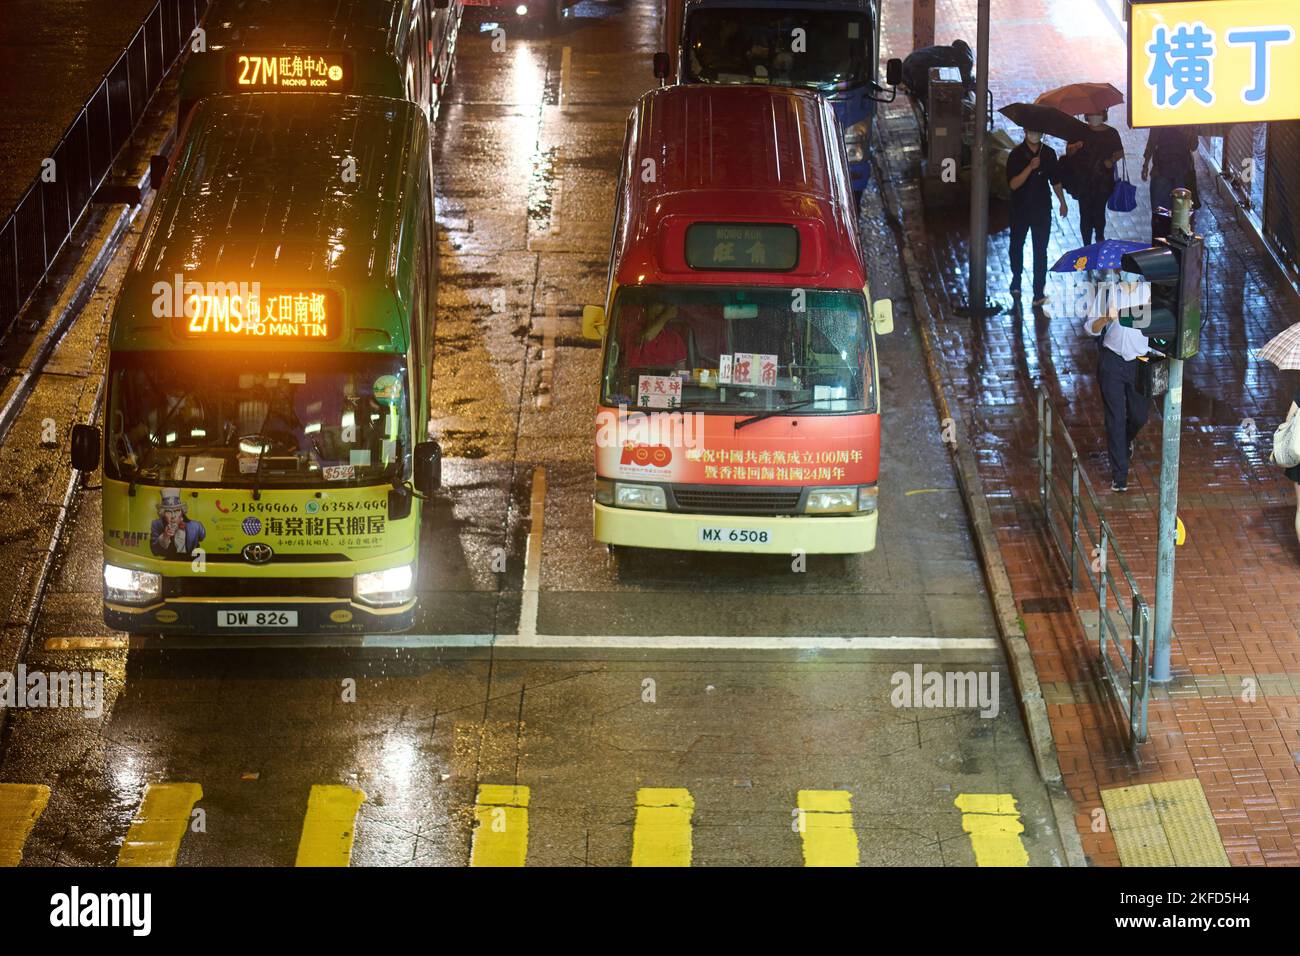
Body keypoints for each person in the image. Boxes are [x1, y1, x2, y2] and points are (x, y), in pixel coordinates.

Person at [1082, 279, 1151, 492]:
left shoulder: (1149, 292)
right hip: (1111, 360)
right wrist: (1106, 317)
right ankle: (1119, 474)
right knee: (1115, 418)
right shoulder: (1107, 291)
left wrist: (1147, 312)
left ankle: (1125, 441)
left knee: (1140, 415)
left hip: (1140, 361)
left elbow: (1158, 326)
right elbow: (1090, 328)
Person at [1006, 128, 1068, 305]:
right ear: (1025, 131)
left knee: (1041, 251)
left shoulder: (1048, 154)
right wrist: (1030, 167)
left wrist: (1062, 202)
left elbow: (1055, 181)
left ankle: (1038, 292)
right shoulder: (1016, 155)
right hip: (1020, 209)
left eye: (1037, 131)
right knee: (1016, 244)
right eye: (1031, 131)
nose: (1034, 134)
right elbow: (1013, 184)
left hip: (1041, 209)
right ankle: (1016, 278)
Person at [1065, 109, 1125, 245]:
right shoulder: (1078, 131)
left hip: (1103, 181)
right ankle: (1086, 244)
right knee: (1085, 213)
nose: (1095, 116)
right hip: (1083, 180)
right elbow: (1068, 152)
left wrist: (1111, 160)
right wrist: (1075, 146)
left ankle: (1099, 237)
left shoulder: (1111, 133)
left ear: (1104, 114)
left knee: (1099, 210)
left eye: (1098, 113)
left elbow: (1120, 152)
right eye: (1092, 113)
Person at [1142, 126, 1196, 213]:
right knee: (1180, 212)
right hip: (1181, 171)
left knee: (1160, 211)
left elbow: (1151, 143)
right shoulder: (1188, 120)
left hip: (1161, 170)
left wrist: (1145, 165)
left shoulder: (1159, 120)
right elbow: (1194, 146)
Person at [625, 302, 688, 368]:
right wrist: (666, 316)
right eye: (654, 315)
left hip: (668, 378)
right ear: (646, 313)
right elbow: (648, 336)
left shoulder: (675, 338)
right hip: (637, 377)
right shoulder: (635, 332)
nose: (657, 320)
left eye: (659, 316)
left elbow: (681, 371)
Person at [150, 488, 207, 559]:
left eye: (176, 511)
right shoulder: (156, 524)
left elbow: (202, 537)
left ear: (182, 512)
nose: (173, 516)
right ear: (163, 514)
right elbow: (154, 551)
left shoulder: (196, 526)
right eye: (168, 512)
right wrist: (165, 537)